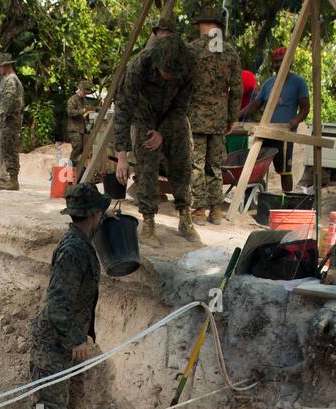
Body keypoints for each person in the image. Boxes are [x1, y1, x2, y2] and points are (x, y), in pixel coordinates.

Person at [18, 183, 112, 409]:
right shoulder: (73, 252)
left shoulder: (83, 243)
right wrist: (75, 339)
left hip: (72, 339)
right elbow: (56, 305)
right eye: (102, 212)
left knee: (75, 397)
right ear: (95, 214)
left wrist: (82, 337)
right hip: (54, 342)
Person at [113, 33, 199, 242]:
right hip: (145, 115)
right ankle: (149, 221)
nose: (169, 76)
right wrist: (122, 157)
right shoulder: (139, 65)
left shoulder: (190, 64)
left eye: (173, 73)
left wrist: (164, 132)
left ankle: (185, 215)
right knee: (147, 168)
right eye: (165, 71)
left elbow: (181, 107)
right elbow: (124, 110)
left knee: (182, 164)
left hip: (173, 115)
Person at [187, 7, 240, 226]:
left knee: (196, 164)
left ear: (203, 24)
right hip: (219, 119)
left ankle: (198, 211)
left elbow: (181, 84)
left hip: (195, 117)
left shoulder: (191, 50)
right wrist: (232, 117)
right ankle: (216, 210)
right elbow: (236, 89)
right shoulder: (229, 52)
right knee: (215, 165)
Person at [240, 48, 309, 190]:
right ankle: (250, 198)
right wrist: (237, 116)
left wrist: (296, 120)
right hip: (266, 132)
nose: (278, 65)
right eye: (276, 62)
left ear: (289, 63)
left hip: (284, 133)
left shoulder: (298, 82)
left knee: (284, 170)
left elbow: (305, 107)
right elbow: (255, 106)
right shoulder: (268, 83)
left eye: (281, 62)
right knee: (255, 167)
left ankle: (287, 201)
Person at [0, 54, 24, 191]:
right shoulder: (11, 79)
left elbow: (9, 98)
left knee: (9, 148)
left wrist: (2, 113)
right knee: (9, 148)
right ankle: (12, 179)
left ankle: (13, 180)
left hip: (10, 121)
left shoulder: (11, 80)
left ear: (6, 66)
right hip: (12, 120)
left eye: (1, 66)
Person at [66, 79, 92, 171]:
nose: (85, 94)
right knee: (77, 147)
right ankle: (70, 167)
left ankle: (77, 169)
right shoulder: (73, 99)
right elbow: (70, 112)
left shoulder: (84, 100)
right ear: (80, 90)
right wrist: (82, 111)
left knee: (82, 150)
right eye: (84, 92)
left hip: (82, 129)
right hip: (74, 129)